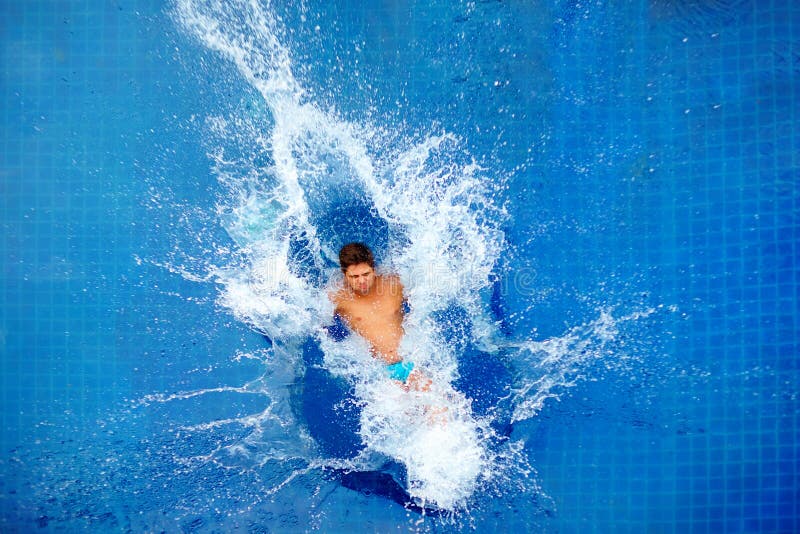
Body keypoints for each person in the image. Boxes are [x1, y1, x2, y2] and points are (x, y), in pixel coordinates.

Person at [329, 242, 429, 391]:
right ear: (345, 276)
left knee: (438, 409)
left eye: (366, 274)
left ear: (373, 270)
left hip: (410, 361)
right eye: (354, 276)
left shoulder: (394, 285)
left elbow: (425, 300)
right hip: (380, 373)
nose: (362, 281)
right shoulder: (338, 299)